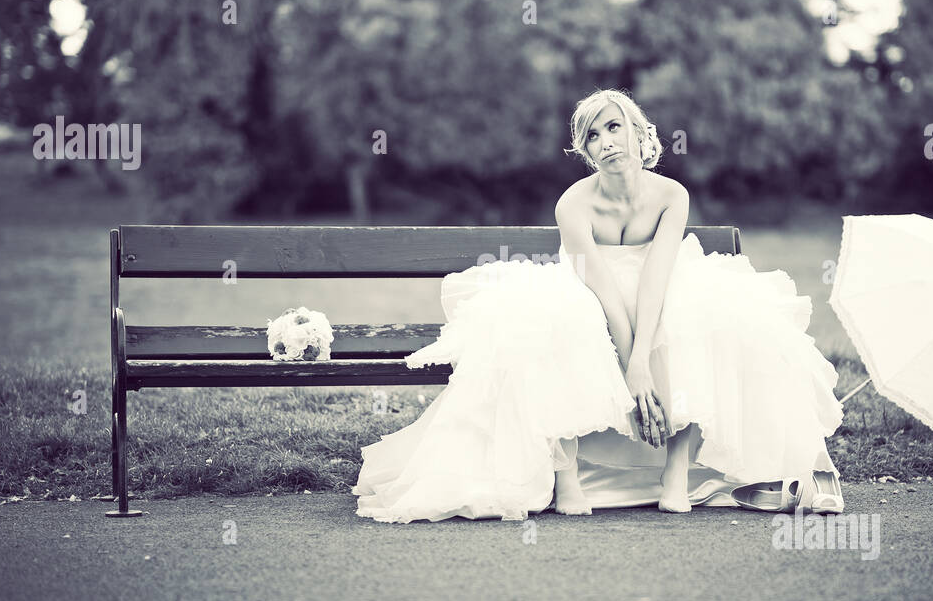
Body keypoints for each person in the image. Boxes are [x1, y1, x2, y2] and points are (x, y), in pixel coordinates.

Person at [353, 89, 844, 523]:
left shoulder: (673, 195)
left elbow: (657, 280)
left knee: (706, 311)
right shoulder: (574, 205)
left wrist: (640, 362)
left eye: (615, 127)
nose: (607, 141)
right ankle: (568, 475)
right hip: (591, 292)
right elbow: (603, 292)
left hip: (658, 292)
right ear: (584, 150)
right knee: (557, 320)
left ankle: (676, 473)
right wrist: (633, 374)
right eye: (593, 136)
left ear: (637, 132)